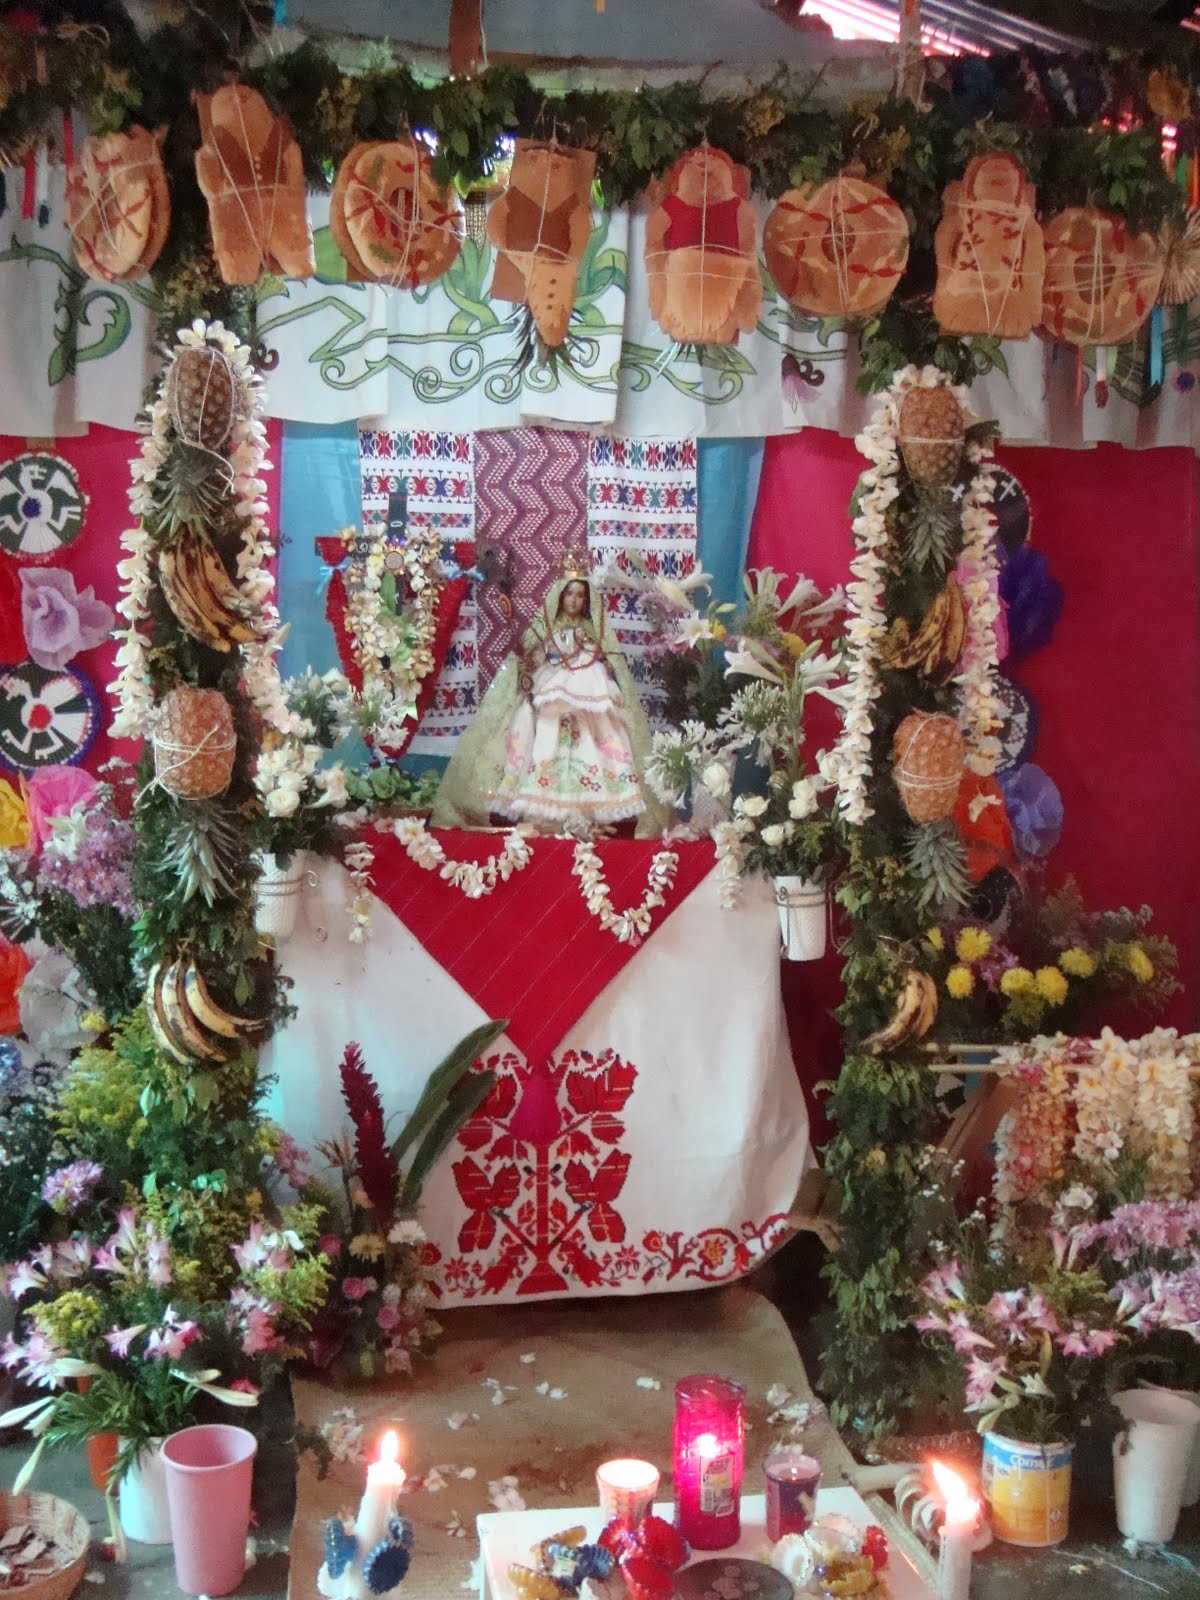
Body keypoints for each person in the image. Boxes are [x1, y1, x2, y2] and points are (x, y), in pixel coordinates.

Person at [433, 563, 667, 837]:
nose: (574, 600)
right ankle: (545, 809)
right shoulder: (546, 626)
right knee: (546, 733)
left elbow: (608, 657)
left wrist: (589, 651)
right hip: (552, 687)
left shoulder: (593, 630)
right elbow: (530, 656)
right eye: (569, 594)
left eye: (580, 595)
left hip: (589, 686)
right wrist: (535, 661)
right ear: (559, 597)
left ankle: (591, 810)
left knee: (598, 735)